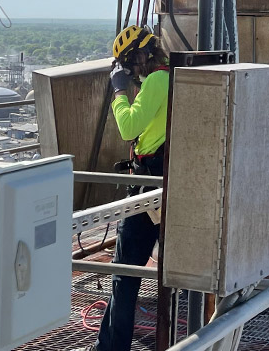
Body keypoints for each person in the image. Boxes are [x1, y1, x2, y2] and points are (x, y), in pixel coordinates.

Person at [95, 25, 169, 351]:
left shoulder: (157, 81)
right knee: (126, 272)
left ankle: (112, 348)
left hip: (147, 188)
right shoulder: (172, 76)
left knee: (124, 276)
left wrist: (119, 91)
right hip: (163, 183)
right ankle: (107, 344)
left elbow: (128, 128)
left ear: (138, 57)